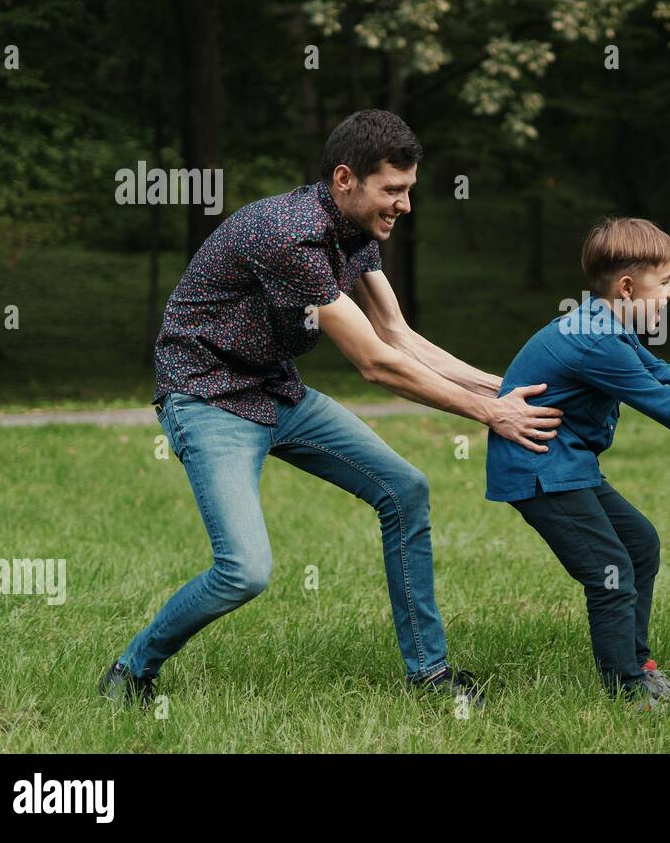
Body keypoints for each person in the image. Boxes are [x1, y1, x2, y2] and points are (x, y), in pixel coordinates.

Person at [100, 110, 560, 708]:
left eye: (408, 190)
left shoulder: (357, 232)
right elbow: (376, 364)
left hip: (276, 390)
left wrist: (502, 389)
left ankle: (429, 673)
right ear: (346, 178)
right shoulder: (289, 235)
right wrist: (491, 416)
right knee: (244, 572)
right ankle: (132, 670)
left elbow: (398, 335)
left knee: (405, 489)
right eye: (392, 191)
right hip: (209, 399)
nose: (404, 205)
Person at [485, 217, 670, 709]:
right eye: (665, 282)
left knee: (639, 543)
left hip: (566, 465)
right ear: (627, 287)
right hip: (540, 469)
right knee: (609, 566)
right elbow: (664, 403)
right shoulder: (594, 340)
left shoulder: (602, 324)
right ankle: (627, 687)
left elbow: (660, 375)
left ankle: (638, 665)